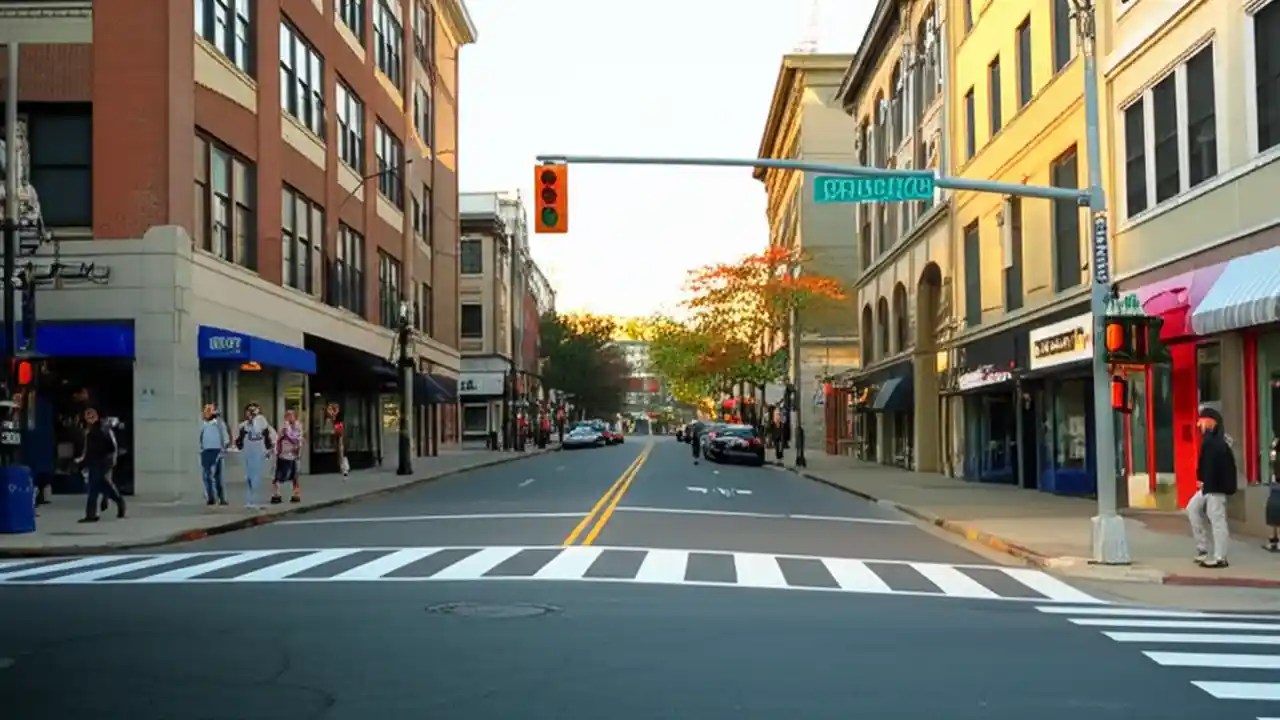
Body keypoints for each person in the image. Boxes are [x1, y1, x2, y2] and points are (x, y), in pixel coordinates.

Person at [1186, 407, 1236, 568]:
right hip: (1207, 485)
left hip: (1216, 486)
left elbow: (1222, 466)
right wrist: (1201, 479)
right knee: (1192, 508)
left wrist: (1209, 481)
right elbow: (1205, 463)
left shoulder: (1218, 442)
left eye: (1201, 420)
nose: (1197, 424)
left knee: (1217, 519)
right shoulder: (1210, 440)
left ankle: (1220, 557)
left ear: (1209, 421)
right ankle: (1202, 549)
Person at [76, 407, 125, 523]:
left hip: (100, 462)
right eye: (87, 416)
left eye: (91, 415)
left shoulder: (100, 430)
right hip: (99, 462)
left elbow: (103, 449)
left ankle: (92, 514)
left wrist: (84, 461)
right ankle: (118, 502)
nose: (89, 418)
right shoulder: (95, 430)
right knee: (102, 486)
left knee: (95, 487)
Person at [235, 403, 274, 509]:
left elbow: (265, 435)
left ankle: (254, 499)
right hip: (248, 450)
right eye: (249, 410)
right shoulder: (243, 425)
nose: (251, 413)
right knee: (248, 476)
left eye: (253, 410)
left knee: (256, 475)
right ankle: (249, 500)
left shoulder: (261, 421)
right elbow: (239, 440)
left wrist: (268, 449)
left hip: (258, 448)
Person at [199, 403, 230, 506]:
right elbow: (199, 436)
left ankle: (222, 498)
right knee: (207, 475)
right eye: (206, 410)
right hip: (206, 451)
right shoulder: (202, 424)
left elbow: (225, 436)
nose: (206, 412)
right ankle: (211, 497)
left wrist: (224, 447)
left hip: (217, 450)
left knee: (218, 476)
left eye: (209, 410)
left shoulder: (219, 423)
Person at [271, 410, 304, 504]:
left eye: (291, 415)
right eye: (287, 415)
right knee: (278, 476)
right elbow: (278, 439)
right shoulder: (284, 427)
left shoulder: (298, 427)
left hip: (293, 455)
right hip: (283, 455)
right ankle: (276, 494)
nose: (289, 417)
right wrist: (276, 451)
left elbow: (299, 439)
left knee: (295, 476)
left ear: (295, 417)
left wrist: (298, 451)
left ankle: (296, 494)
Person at [1266, 436, 1279, 552]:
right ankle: (1274, 537)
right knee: (1273, 510)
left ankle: (1276, 538)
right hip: (1276, 479)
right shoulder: (1275, 441)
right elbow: (1272, 461)